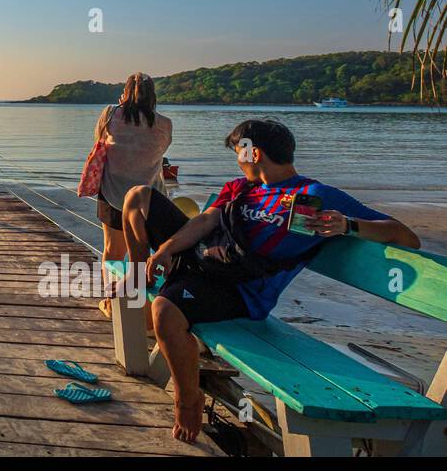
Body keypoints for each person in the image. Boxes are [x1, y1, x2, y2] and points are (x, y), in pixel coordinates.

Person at [118, 118, 419, 442]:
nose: (237, 158)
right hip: (206, 261)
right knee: (138, 197)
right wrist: (165, 249)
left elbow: (406, 236)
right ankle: (137, 283)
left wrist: (349, 226)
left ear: (254, 153)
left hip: (240, 289)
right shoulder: (241, 187)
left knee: (166, 310)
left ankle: (188, 399)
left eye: (239, 151)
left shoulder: (312, 195)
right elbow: (206, 220)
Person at [92, 73, 172, 317]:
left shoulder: (110, 113)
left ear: (125, 93)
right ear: (154, 96)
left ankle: (110, 300)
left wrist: (121, 106)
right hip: (150, 201)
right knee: (143, 253)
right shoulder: (164, 123)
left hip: (114, 194)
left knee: (112, 250)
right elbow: (163, 149)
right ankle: (141, 305)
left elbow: (99, 141)